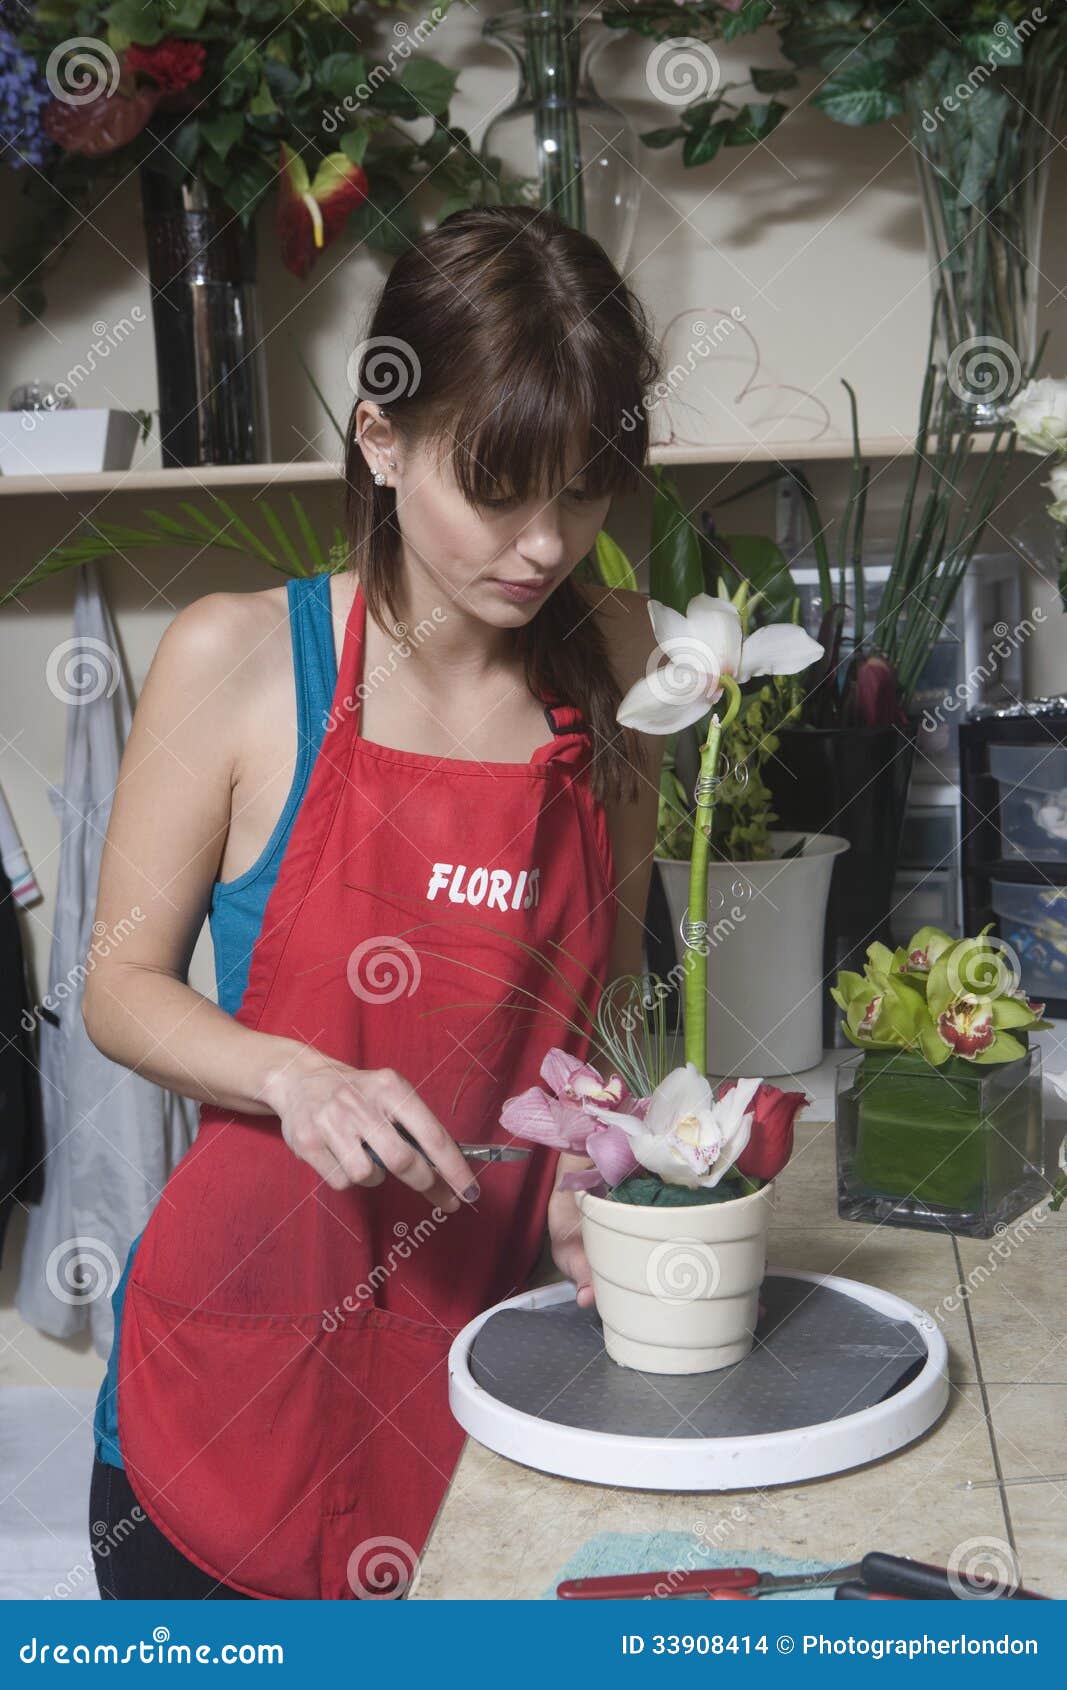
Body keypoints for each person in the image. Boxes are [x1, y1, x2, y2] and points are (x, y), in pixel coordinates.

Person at [84, 205, 664, 1600]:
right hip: (231, 1374)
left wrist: (608, 1152)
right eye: (498, 486)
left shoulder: (622, 667)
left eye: (581, 493)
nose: (542, 547)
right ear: (382, 438)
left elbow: (625, 984)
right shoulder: (240, 656)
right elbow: (117, 985)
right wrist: (298, 1076)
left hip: (495, 1366)